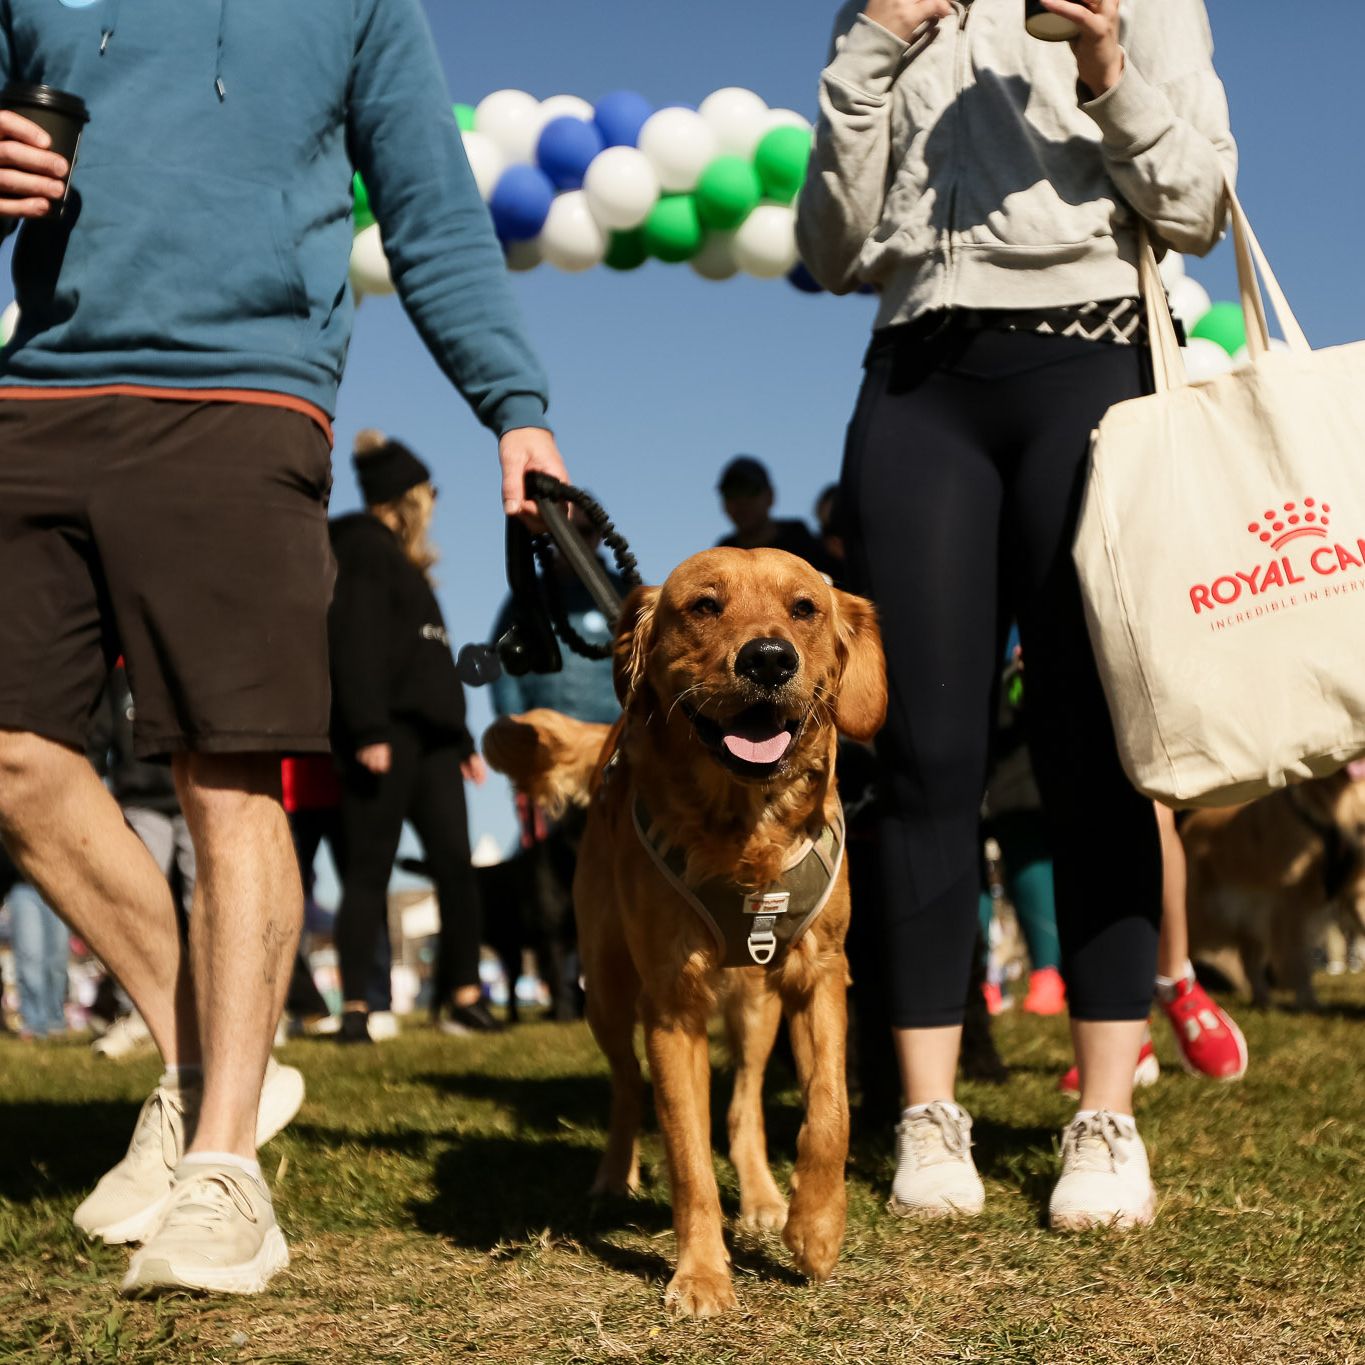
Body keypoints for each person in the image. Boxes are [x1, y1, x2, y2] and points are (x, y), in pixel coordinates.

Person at [0, 1, 568, 1296]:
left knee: (227, 769)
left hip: (242, 390)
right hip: (38, 391)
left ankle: (225, 1171)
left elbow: (430, 206)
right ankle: (212, 1062)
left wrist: (514, 405)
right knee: (13, 758)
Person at [798, 0, 1234, 1228]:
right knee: (922, 757)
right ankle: (928, 1113)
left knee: (1091, 751)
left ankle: (1107, 1115)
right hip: (919, 378)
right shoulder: (877, 10)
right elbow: (831, 249)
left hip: (1091, 361)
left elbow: (1197, 206)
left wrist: (1106, 64)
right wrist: (868, 54)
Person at [328, 431, 493, 1044]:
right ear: (406, 497)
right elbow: (354, 642)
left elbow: (433, 664)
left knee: (456, 867)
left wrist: (465, 739)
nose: (434, 504)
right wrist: (368, 728)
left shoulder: (409, 566)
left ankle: (463, 996)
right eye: (428, 493)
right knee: (368, 870)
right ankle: (355, 1006)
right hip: (386, 735)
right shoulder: (361, 551)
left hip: (437, 743)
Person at [715, 456, 826, 568]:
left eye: (750, 491)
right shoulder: (721, 556)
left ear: (770, 495)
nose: (741, 501)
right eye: (731, 493)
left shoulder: (806, 544)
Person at [6, 880, 69, 1040]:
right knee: (29, 958)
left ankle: (55, 1020)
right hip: (23, 885)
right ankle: (33, 1022)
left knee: (57, 961)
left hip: (58, 886)